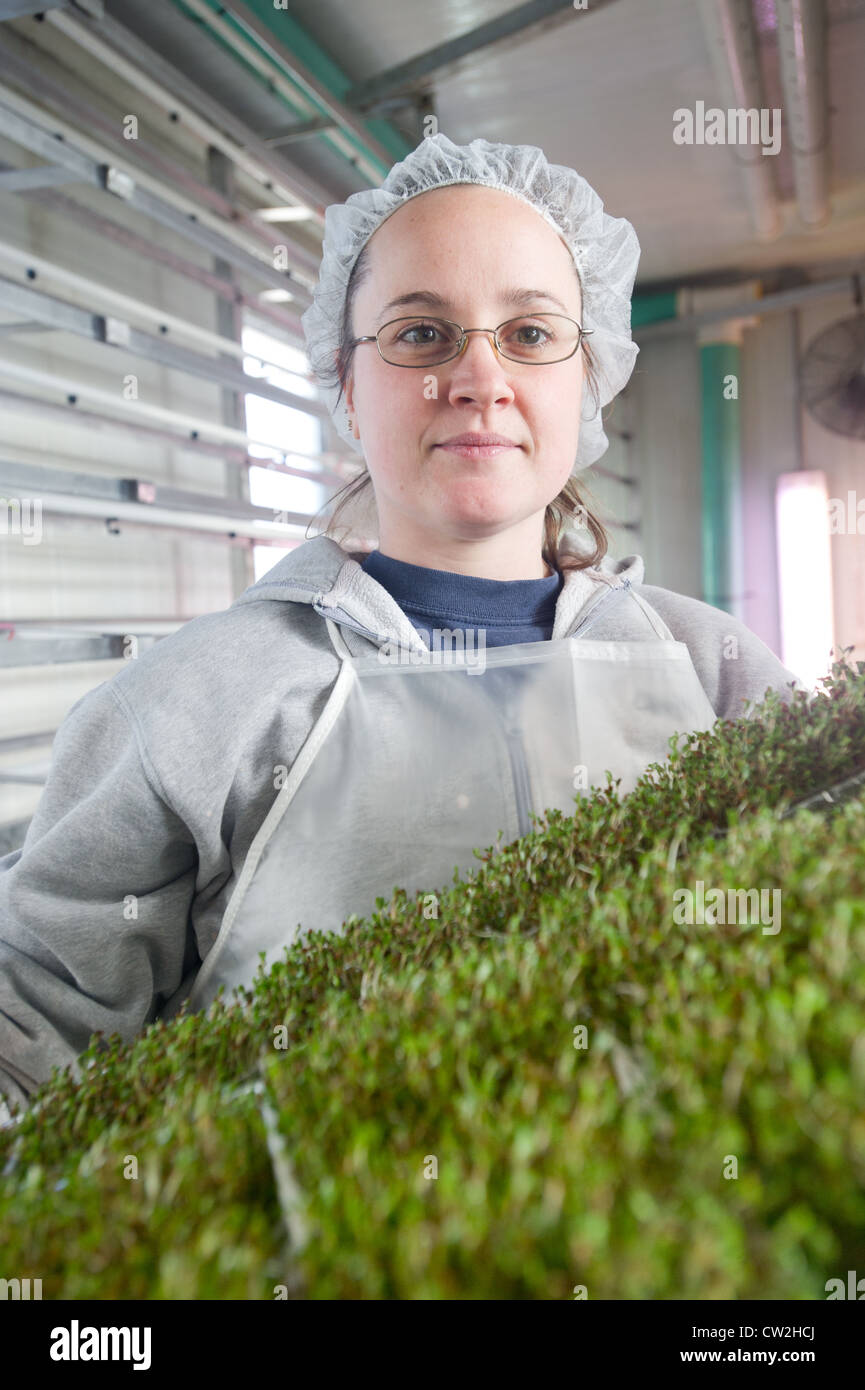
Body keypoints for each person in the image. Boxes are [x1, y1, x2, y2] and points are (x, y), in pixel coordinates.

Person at [0, 134, 802, 1114]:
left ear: (586, 375)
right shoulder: (189, 705)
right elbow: (31, 1056)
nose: (478, 378)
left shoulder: (713, 673)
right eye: (421, 334)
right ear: (345, 381)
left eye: (532, 333)